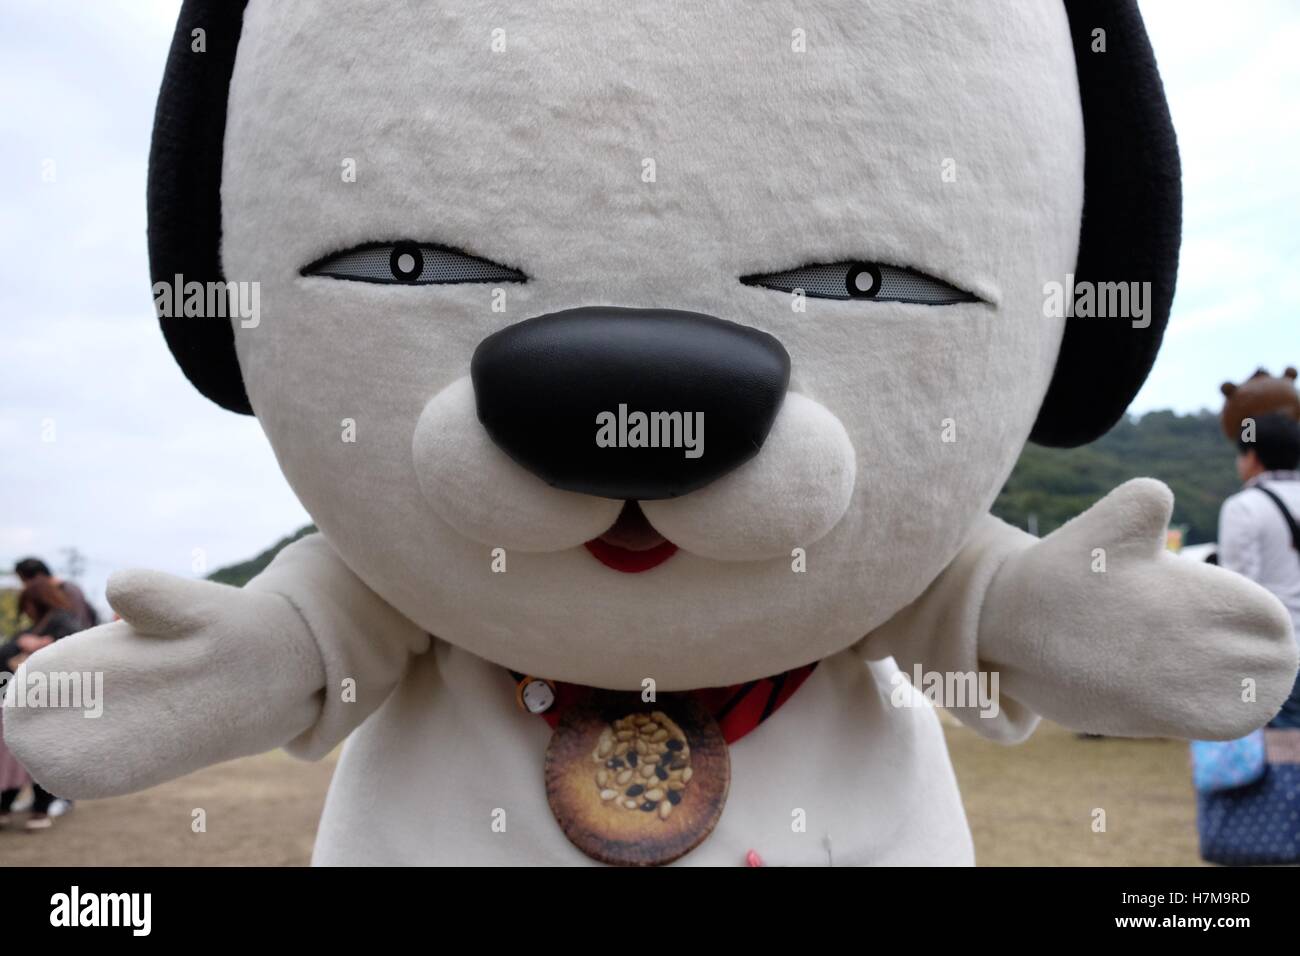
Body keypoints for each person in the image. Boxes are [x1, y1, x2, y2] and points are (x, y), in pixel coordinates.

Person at [1218, 412, 1300, 727]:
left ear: (1252, 457)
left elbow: (1239, 592)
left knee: (1282, 757)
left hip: (1276, 652)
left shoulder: (1244, 507)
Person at [0, 578, 84, 830]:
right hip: (25, 700)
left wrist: (41, 646)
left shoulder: (63, 623)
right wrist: (23, 643)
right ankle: (14, 805)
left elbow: (73, 656)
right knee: (19, 755)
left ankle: (41, 808)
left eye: (27, 603)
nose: (25, 609)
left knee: (40, 756)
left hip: (48, 702)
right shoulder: (36, 626)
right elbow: (4, 654)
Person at [14, 557, 98, 630]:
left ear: (38, 577)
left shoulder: (64, 591)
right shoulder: (66, 588)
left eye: (24, 581)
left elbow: (78, 624)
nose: (24, 586)